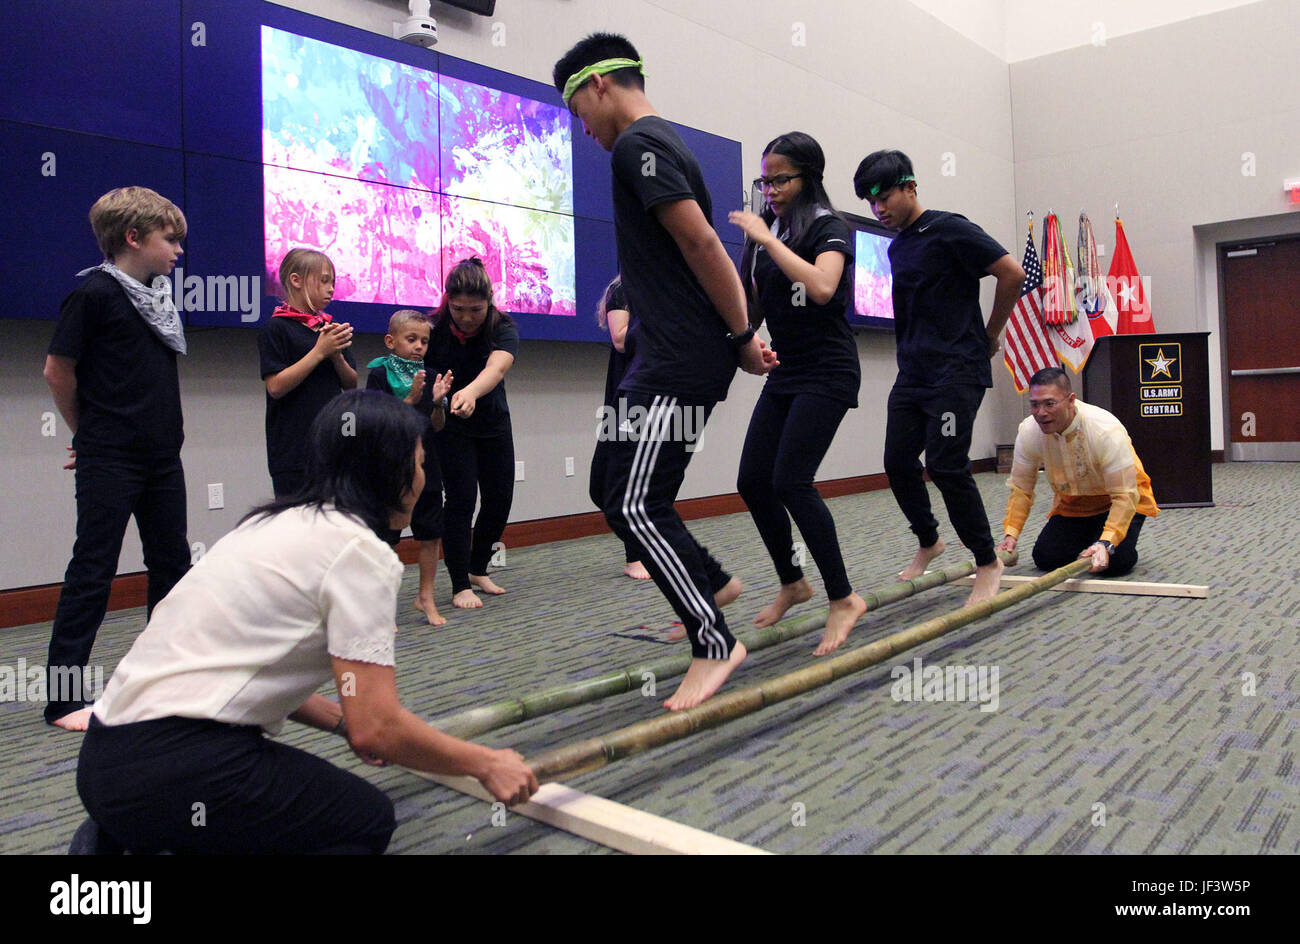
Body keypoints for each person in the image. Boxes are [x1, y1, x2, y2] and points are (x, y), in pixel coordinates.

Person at [75, 391, 538, 854]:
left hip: (104, 762)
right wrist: (485, 762)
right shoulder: (359, 552)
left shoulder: (268, 524)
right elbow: (376, 727)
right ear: (388, 469)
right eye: (418, 464)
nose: (422, 478)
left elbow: (253, 664)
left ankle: (133, 834)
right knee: (365, 821)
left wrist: (340, 722)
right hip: (177, 765)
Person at [555, 32, 777, 710]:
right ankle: (707, 579)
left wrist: (741, 334)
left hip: (680, 360)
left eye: (578, 112)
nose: (583, 130)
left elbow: (703, 241)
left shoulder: (638, 145)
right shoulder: (654, 144)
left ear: (599, 85)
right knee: (608, 484)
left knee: (635, 502)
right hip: (660, 356)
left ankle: (714, 642)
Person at [42, 186, 192, 731]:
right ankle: (62, 699)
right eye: (169, 239)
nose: (179, 250)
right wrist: (89, 436)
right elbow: (58, 371)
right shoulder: (94, 295)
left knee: (173, 566)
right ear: (133, 237)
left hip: (161, 458)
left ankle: (164, 676)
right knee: (93, 569)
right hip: (112, 457)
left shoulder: (157, 298)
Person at [853, 149, 1025, 606]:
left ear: (911, 187)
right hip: (913, 373)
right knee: (897, 461)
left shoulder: (950, 228)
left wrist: (991, 334)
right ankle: (929, 540)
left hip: (957, 369)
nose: (878, 209)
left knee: (947, 464)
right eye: (870, 202)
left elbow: (1011, 272)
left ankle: (987, 562)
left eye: (884, 196)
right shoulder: (895, 245)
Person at [729, 132, 868, 656]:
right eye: (764, 180)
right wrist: (747, 341)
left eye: (780, 179)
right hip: (787, 370)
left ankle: (843, 597)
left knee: (792, 479)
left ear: (807, 176)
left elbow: (823, 287)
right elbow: (757, 310)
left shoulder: (829, 226)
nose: (770, 189)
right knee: (752, 480)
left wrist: (768, 241)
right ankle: (794, 581)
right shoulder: (772, 234)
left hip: (829, 369)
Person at [997, 367, 1158, 575]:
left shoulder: (1105, 429)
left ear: (1071, 400)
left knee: (1116, 563)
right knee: (1046, 558)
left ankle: (1103, 538)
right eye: (1034, 404)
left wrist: (1107, 542)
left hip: (1121, 500)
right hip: (1074, 505)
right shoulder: (1029, 432)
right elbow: (1021, 490)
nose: (1041, 413)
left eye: (1049, 403)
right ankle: (1093, 536)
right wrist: (1011, 535)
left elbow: (1125, 495)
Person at [424, 258, 517, 610]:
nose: (465, 317)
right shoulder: (433, 328)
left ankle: (479, 569)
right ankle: (460, 583)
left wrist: (471, 393)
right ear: (448, 301)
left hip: (493, 423)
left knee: (498, 501)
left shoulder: (502, 326)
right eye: (458, 308)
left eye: (475, 309)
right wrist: (441, 400)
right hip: (450, 426)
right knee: (461, 500)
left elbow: (498, 366)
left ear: (489, 302)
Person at [365, 309, 454, 624]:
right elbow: (378, 423)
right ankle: (381, 608)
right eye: (411, 339)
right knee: (387, 537)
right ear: (391, 341)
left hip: (426, 463)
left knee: (430, 533)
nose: (419, 346)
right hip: (393, 465)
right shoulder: (378, 374)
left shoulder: (432, 375)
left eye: (424, 341)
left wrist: (438, 403)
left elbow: (437, 426)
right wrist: (412, 399)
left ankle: (425, 597)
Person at [258, 248, 357, 498]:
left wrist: (336, 356)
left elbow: (351, 383)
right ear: (296, 280)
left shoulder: (329, 329)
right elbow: (276, 386)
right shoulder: (276, 328)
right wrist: (319, 352)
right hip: (293, 452)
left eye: (333, 282)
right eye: (324, 280)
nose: (331, 288)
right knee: (297, 525)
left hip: (332, 445)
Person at [592, 276, 651, 580]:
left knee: (635, 481)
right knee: (600, 485)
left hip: (651, 393)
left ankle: (638, 555)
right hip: (623, 394)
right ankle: (646, 547)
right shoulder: (623, 288)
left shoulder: (674, 289)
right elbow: (620, 338)